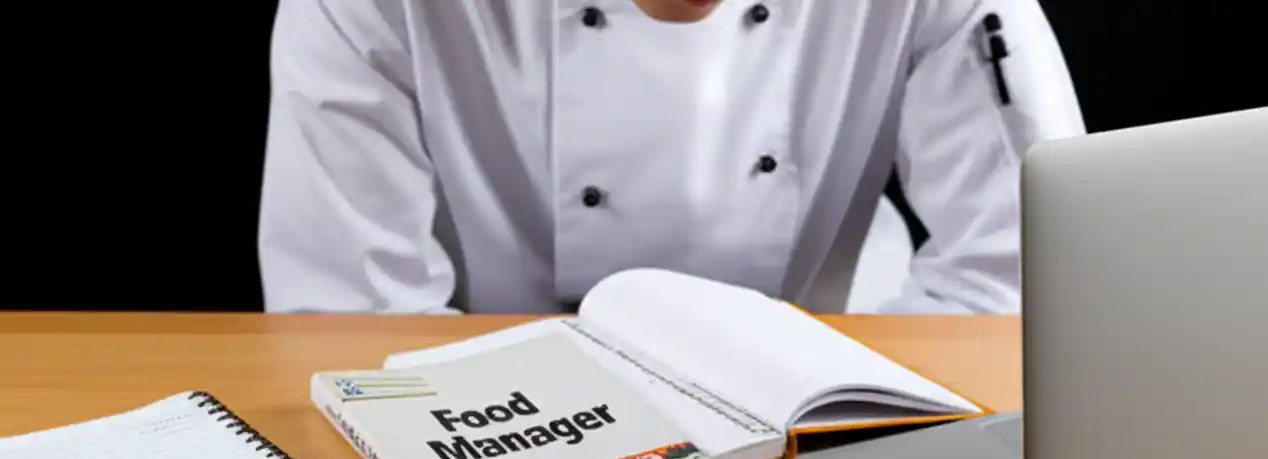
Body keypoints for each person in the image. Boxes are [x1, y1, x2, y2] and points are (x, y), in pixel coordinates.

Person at [257, 0, 1084, 315]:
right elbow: (350, 330)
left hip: (831, 388)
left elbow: (1024, 282)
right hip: (490, 416)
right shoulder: (359, 5)